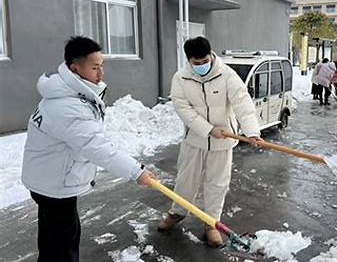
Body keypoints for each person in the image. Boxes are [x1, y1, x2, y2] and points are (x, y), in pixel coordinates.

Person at [21, 36, 156, 262]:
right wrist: (136, 171)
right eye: (95, 67)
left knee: (53, 239)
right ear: (75, 68)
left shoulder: (64, 93)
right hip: (54, 182)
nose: (101, 74)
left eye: (101, 66)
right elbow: (96, 147)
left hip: (47, 178)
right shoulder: (68, 105)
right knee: (64, 243)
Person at [158, 36, 262, 247]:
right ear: (189, 61)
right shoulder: (181, 78)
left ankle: (211, 223)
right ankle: (177, 213)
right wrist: (208, 129)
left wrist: (251, 131)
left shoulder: (226, 74)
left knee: (217, 183)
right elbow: (183, 109)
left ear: (211, 55)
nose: (202, 66)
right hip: (194, 139)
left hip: (223, 141)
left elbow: (242, 102)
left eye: (205, 61)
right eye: (197, 64)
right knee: (186, 180)